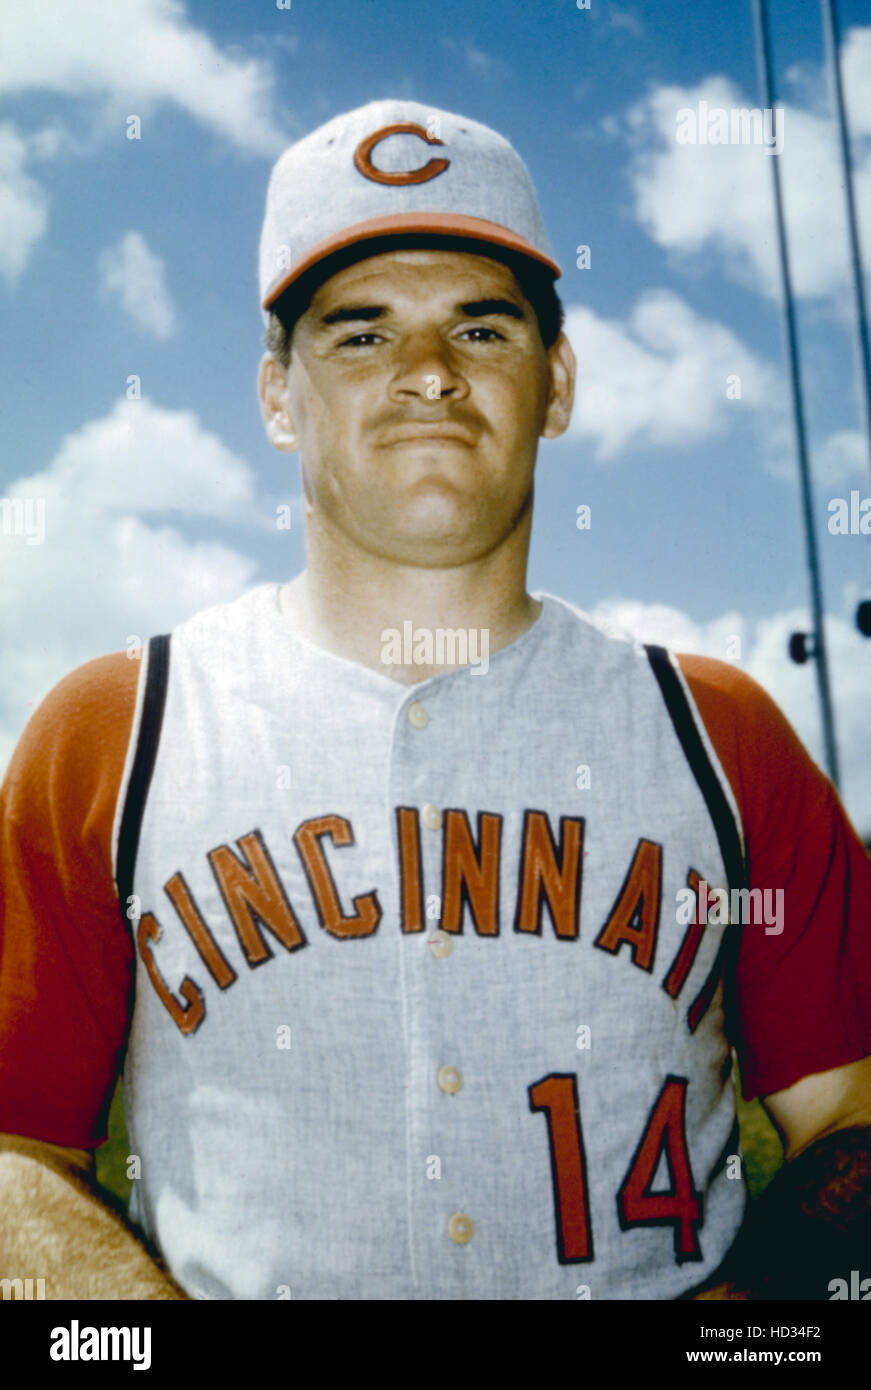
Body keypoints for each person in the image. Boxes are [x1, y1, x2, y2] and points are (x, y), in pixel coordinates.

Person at [0, 99, 869, 1302]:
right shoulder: (111, 731)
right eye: (359, 334)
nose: (426, 374)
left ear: (555, 381)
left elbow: (850, 1112)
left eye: (481, 327)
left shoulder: (719, 732)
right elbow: (14, 1155)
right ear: (274, 394)